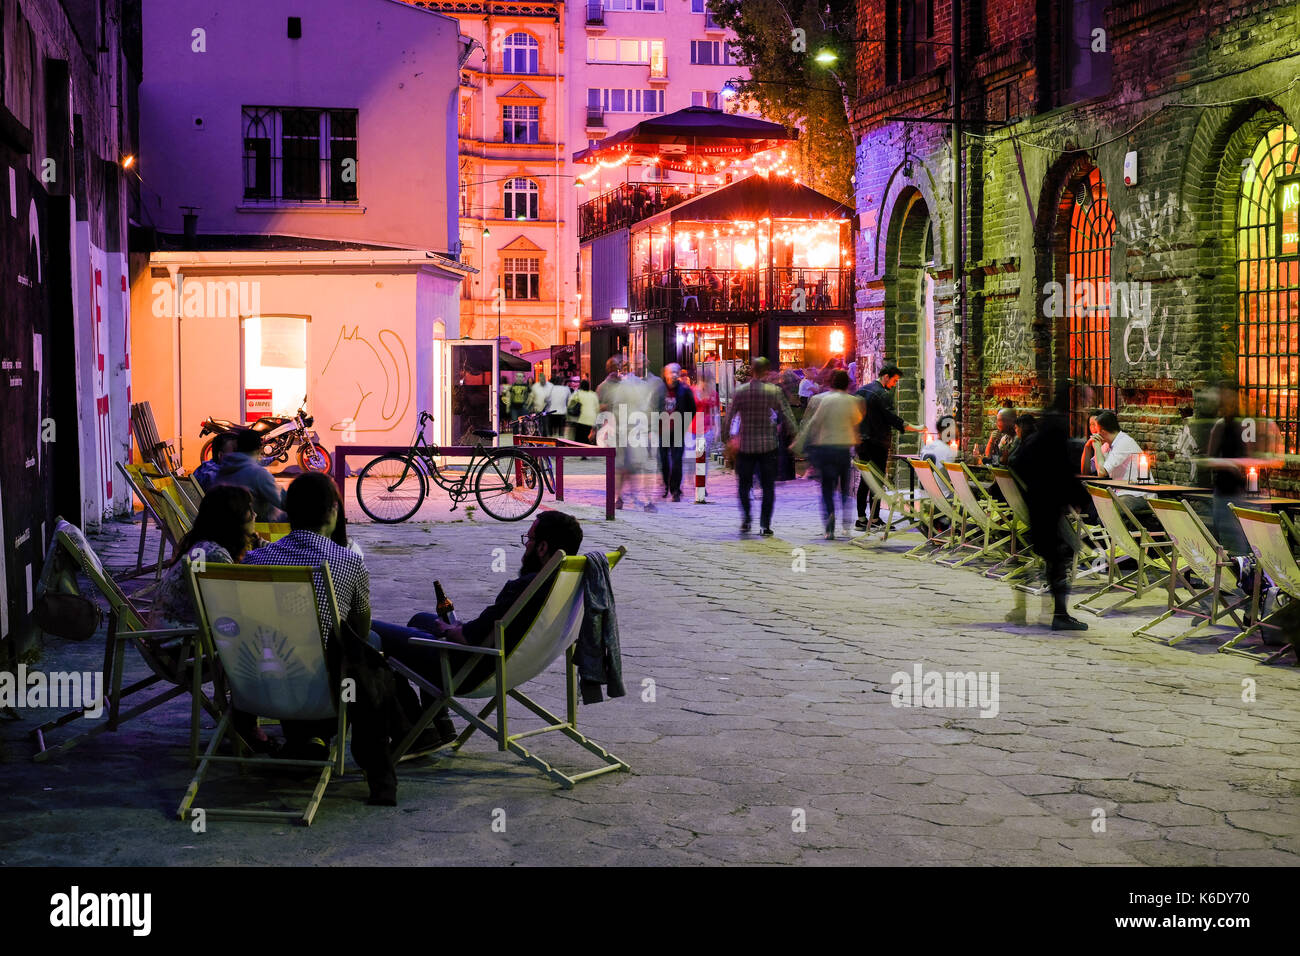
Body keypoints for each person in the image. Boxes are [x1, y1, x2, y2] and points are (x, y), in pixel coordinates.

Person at [372, 512, 584, 689]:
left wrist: (449, 630)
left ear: (542, 548)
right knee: (420, 619)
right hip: (518, 666)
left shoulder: (524, 588)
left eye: (528, 539)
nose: (525, 545)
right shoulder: (567, 584)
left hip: (470, 670)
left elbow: (469, 638)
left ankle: (405, 719)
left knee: (369, 630)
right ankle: (437, 726)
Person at [1011, 384, 1091, 631]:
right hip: (1047, 503)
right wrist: (1075, 495)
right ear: (1074, 399)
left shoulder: (1047, 423)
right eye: (1086, 399)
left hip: (1041, 500)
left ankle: (1040, 610)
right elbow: (1061, 467)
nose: (1087, 405)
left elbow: (1020, 462)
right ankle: (1059, 614)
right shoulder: (1056, 426)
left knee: (1050, 554)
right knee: (1058, 555)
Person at [724, 356, 797, 536]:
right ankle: (765, 525)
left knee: (744, 485)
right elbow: (787, 415)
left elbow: (729, 418)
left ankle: (747, 518)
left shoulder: (741, 391)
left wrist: (726, 439)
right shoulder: (773, 391)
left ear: (752, 371)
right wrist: (795, 437)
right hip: (768, 446)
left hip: (746, 446)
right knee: (768, 487)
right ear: (766, 371)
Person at [794, 370, 864, 539]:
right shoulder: (852, 401)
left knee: (827, 486)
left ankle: (829, 519)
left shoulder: (825, 400)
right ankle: (846, 524)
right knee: (845, 487)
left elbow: (814, 422)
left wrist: (799, 443)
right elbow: (857, 420)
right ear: (847, 383)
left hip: (825, 448)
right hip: (843, 448)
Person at [854, 364, 924, 530]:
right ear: (886, 376)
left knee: (865, 480)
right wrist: (915, 427)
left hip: (861, 442)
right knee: (877, 480)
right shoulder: (882, 394)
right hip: (877, 442)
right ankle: (875, 518)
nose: (894, 384)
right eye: (894, 380)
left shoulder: (860, 391)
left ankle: (861, 518)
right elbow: (891, 418)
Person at [1088, 410, 1155, 525]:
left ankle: (1113, 542)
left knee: (1107, 515)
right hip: (1119, 493)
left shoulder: (1124, 443)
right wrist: (1089, 448)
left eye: (1097, 430)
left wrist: (1097, 448)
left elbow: (1102, 472)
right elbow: (1092, 468)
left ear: (1102, 432)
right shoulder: (1108, 445)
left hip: (1138, 494)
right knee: (1092, 511)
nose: (1095, 434)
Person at [214, 427, 286, 521]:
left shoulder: (223, 469)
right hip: (253, 528)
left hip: (225, 525)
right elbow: (284, 503)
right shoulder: (258, 474)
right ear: (260, 449)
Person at [656, 363, 697, 502]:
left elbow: (692, 408)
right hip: (663, 431)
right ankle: (666, 486)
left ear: (679, 374)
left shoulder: (685, 390)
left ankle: (675, 490)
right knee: (664, 461)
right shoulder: (660, 390)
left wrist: (685, 424)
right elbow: (653, 407)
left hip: (678, 430)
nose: (674, 374)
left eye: (676, 372)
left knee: (677, 461)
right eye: (671, 372)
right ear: (665, 374)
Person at [568, 379, 599, 449]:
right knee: (585, 435)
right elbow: (597, 408)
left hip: (580, 419)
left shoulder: (577, 393)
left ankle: (581, 451)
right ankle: (585, 450)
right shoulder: (593, 394)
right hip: (590, 419)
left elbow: (570, 404)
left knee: (578, 436)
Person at [544, 373, 571, 438]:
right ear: (562, 382)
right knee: (561, 432)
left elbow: (546, 400)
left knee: (550, 432)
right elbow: (569, 400)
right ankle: (560, 443)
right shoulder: (566, 389)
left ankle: (550, 444)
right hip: (562, 412)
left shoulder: (550, 389)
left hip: (551, 412)